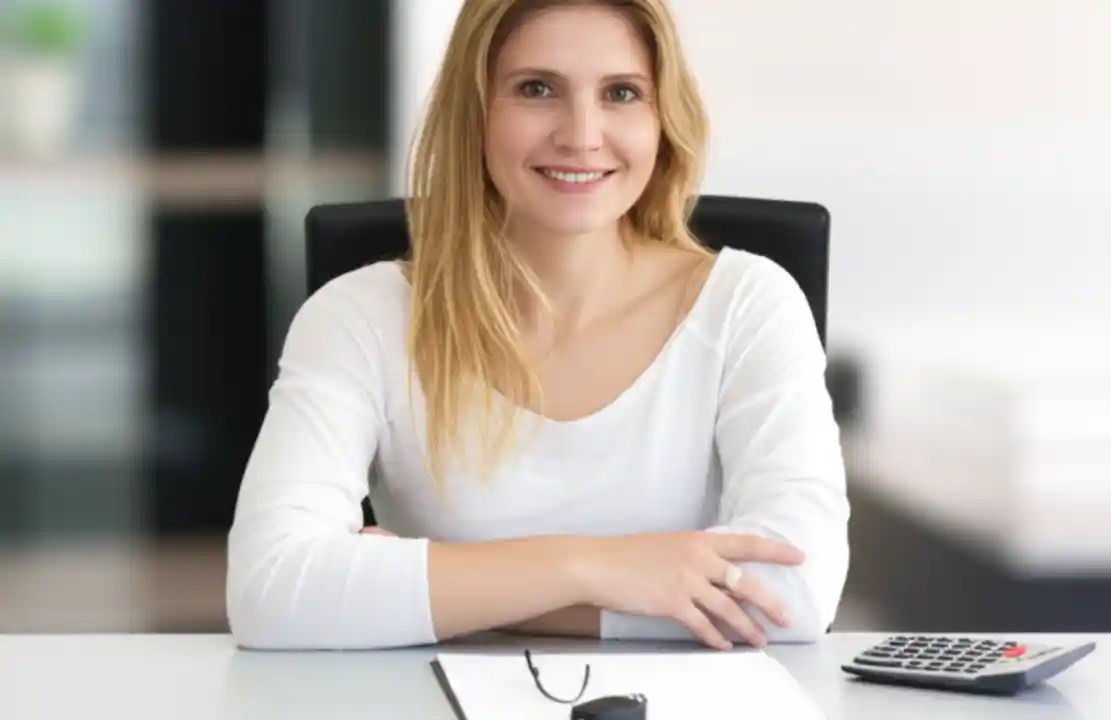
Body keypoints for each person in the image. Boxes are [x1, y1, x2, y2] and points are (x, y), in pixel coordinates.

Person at [226, 0, 849, 651]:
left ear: (665, 119)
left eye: (622, 93)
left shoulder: (750, 306)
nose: (581, 134)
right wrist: (596, 568)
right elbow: (272, 592)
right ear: (475, 114)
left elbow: (793, 599)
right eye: (536, 89)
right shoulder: (358, 317)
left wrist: (433, 584)